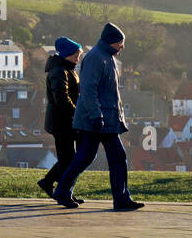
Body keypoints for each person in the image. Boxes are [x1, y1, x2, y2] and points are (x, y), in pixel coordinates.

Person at [53, 23, 144, 210]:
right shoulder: (96, 58)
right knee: (90, 158)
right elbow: (88, 90)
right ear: (111, 42)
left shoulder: (106, 56)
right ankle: (118, 198)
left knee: (102, 158)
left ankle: (120, 198)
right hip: (95, 120)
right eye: (120, 42)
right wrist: (96, 116)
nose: (122, 46)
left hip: (105, 120)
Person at [38, 37, 83, 202]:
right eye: (76, 54)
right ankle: (58, 189)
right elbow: (62, 98)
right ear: (67, 54)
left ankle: (51, 184)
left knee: (69, 158)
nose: (78, 57)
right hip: (61, 122)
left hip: (65, 121)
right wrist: (77, 112)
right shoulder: (59, 71)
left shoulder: (66, 68)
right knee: (69, 159)